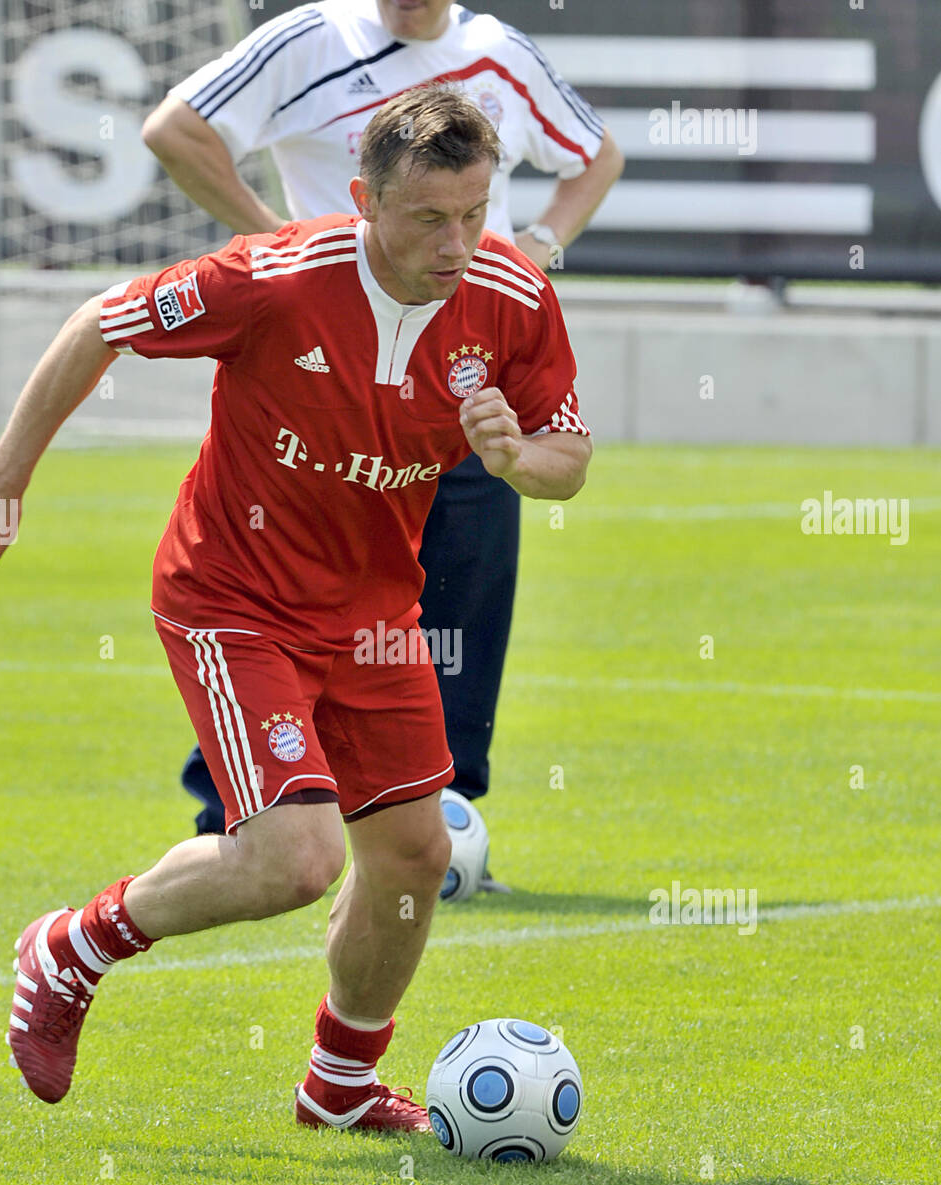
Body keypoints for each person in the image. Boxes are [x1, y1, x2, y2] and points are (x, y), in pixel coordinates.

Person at [0, 86, 591, 1131]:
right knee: (297, 857)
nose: (458, 241)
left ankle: (337, 1086)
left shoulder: (513, 297)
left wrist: (518, 458)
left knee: (417, 856)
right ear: (364, 200)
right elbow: (97, 322)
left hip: (377, 615)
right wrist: (1, 480)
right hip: (231, 598)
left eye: (474, 212)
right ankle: (73, 946)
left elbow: (571, 459)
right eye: (430, 217)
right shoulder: (276, 276)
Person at [141, 0, 622, 851]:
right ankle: (240, 814)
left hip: (467, 366)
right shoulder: (311, 39)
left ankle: (445, 827)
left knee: (455, 604)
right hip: (328, 370)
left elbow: (596, 153)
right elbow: (175, 130)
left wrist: (541, 244)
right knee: (286, 588)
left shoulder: (497, 51)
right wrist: (280, 249)